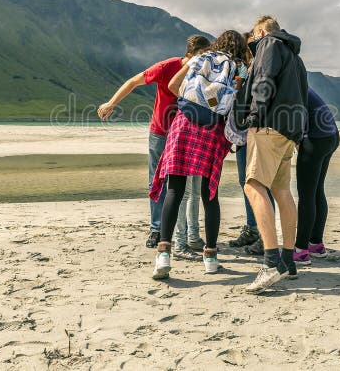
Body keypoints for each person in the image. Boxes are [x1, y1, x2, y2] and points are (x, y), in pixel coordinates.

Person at [150, 30, 248, 280]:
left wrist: (193, 96)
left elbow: (173, 86)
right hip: (212, 131)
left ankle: (163, 254)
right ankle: (211, 258)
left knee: (175, 189)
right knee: (209, 194)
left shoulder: (199, 59)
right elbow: (236, 103)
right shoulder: (239, 68)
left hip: (183, 124)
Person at [98, 35, 211, 248]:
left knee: (183, 187)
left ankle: (180, 232)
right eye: (200, 56)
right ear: (188, 55)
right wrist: (111, 103)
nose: (203, 61)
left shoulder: (203, 72)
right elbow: (134, 81)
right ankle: (156, 229)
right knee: (157, 181)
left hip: (186, 134)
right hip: (160, 132)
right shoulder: (166, 67)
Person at [241, 16, 308, 293]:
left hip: (268, 124)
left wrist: (254, 115)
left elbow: (263, 79)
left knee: (253, 185)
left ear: (259, 31)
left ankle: (271, 262)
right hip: (290, 129)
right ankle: (289, 260)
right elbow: (303, 95)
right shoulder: (295, 56)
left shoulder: (268, 43)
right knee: (281, 190)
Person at [229, 32, 275, 253]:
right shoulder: (243, 69)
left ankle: (265, 234)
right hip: (242, 131)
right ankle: (252, 228)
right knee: (245, 182)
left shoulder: (260, 67)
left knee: (259, 183)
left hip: (256, 130)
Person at [293, 87, 340, 266]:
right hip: (331, 135)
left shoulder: (287, 84)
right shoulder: (299, 81)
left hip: (316, 138)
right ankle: (316, 245)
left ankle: (300, 251)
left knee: (306, 195)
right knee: (316, 190)